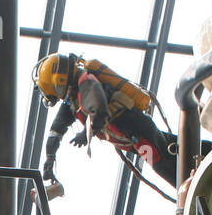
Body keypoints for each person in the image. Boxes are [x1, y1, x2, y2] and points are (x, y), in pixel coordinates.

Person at [33, 52, 183, 188]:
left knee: (164, 166)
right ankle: (206, 154)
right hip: (135, 138)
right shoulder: (72, 100)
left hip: (138, 132)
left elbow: (99, 109)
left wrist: (86, 134)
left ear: (57, 80)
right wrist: (49, 161)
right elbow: (56, 131)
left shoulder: (86, 82)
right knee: (177, 149)